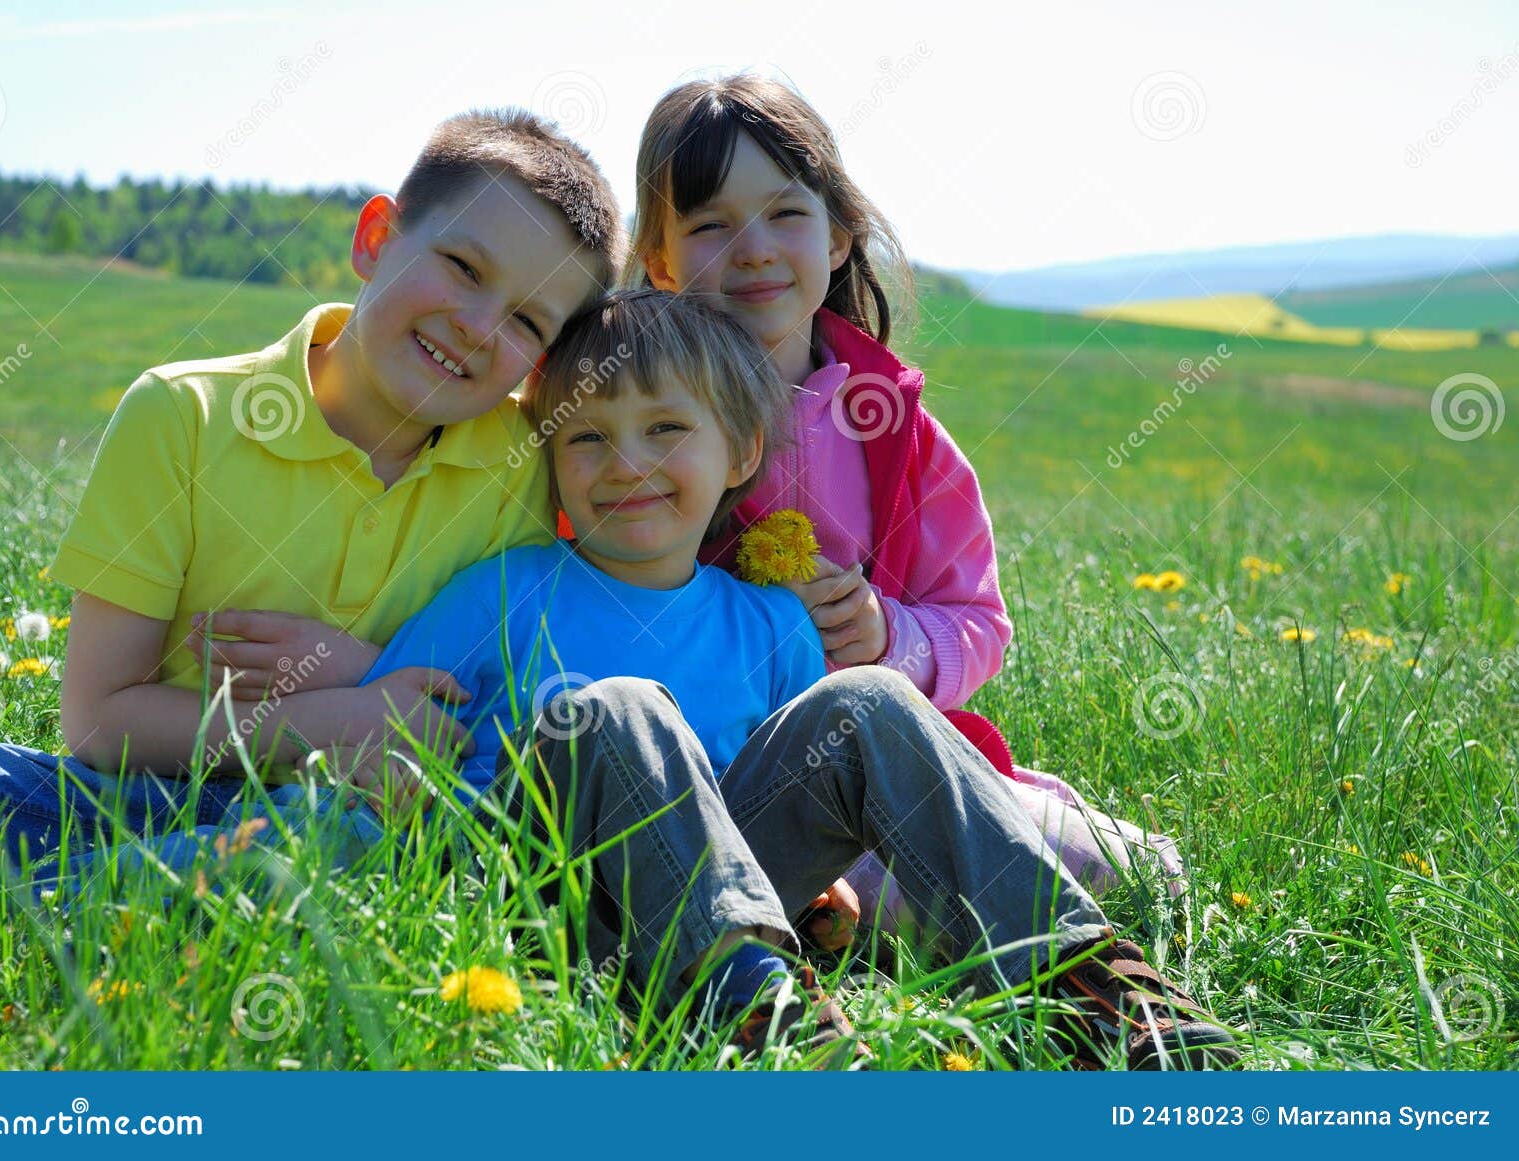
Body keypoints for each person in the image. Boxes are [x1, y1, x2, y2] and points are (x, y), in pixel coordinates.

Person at [168, 290, 1236, 1069]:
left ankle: (1093, 992)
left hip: (735, 900)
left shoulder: (770, 622)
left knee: (867, 702)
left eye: (664, 430)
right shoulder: (503, 591)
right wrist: (344, 692)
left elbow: (805, 802)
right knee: (625, 709)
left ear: (735, 453)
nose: (626, 463)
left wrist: (834, 892)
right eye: (587, 439)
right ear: (551, 466)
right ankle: (761, 1020)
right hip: (548, 906)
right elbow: (391, 744)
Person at [0, 108, 623, 908]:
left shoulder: (520, 469)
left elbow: (489, 718)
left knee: (335, 841)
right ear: (376, 238)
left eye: (528, 320)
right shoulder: (181, 414)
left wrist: (362, 679)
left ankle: (57, 902)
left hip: (356, 819)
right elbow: (97, 722)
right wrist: (337, 715)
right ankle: (115, 894)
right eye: (464, 266)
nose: (477, 325)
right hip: (147, 797)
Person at [627, 75, 1184, 937]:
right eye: (710, 225)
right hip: (724, 783)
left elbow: (979, 620)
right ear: (659, 260)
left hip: (897, 766)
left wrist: (889, 637)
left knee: (1131, 873)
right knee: (944, 890)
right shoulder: (631, 426)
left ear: (841, 233)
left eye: (786, 214)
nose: (753, 249)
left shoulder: (897, 433)